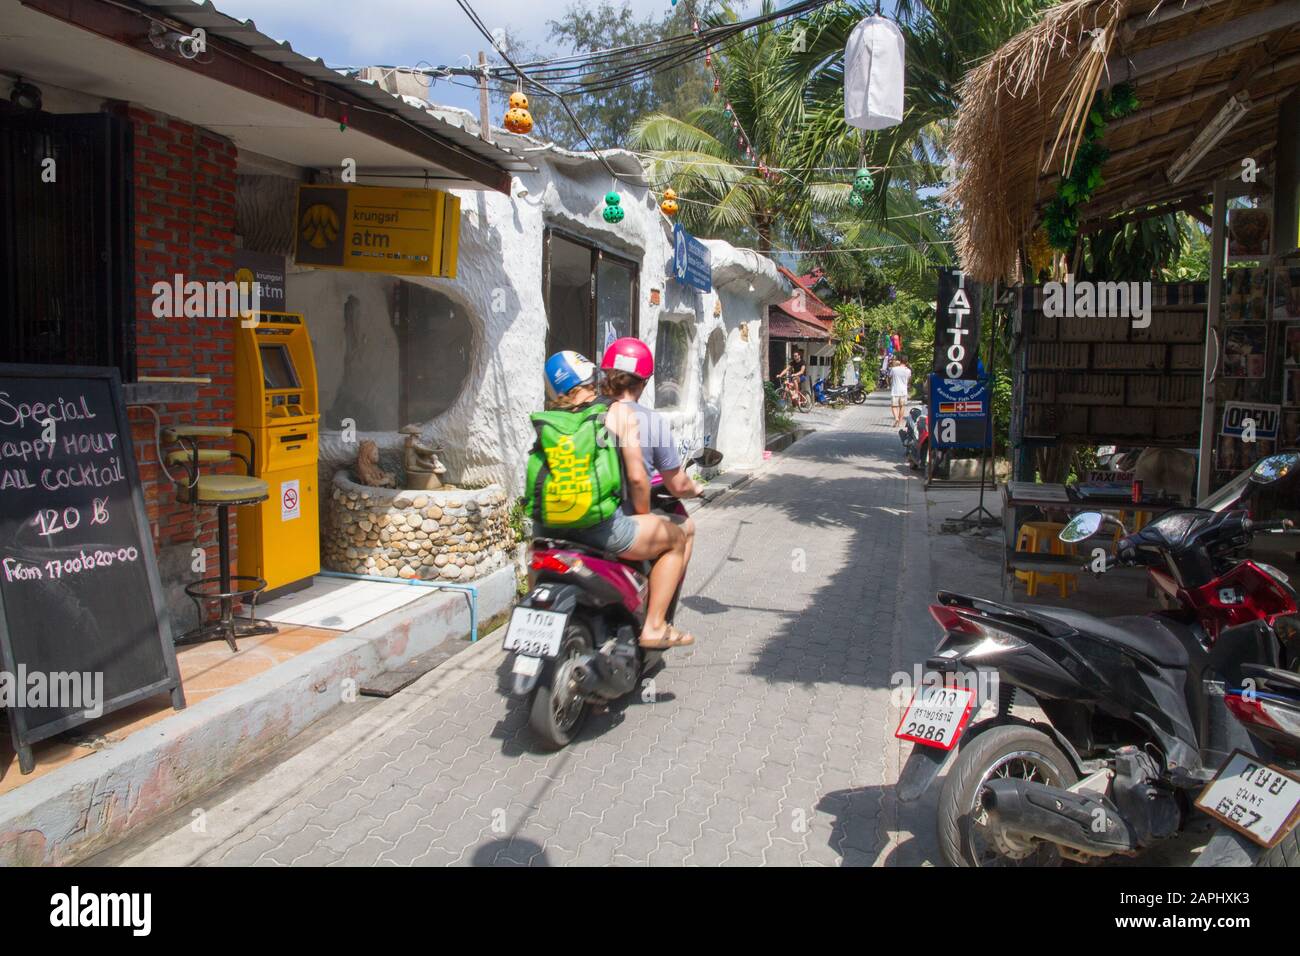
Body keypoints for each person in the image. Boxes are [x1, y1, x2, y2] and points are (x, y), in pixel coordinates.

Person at [538, 346, 699, 650]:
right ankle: (654, 625)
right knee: (677, 537)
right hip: (598, 526)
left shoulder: (547, 419)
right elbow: (639, 478)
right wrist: (643, 514)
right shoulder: (614, 413)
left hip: (546, 528)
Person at [888, 354, 913, 428]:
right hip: (903, 391)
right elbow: (909, 380)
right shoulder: (908, 371)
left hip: (895, 390)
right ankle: (900, 422)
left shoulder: (894, 369)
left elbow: (889, 377)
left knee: (894, 406)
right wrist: (907, 385)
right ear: (907, 362)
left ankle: (896, 418)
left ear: (900, 361)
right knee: (902, 406)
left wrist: (890, 384)